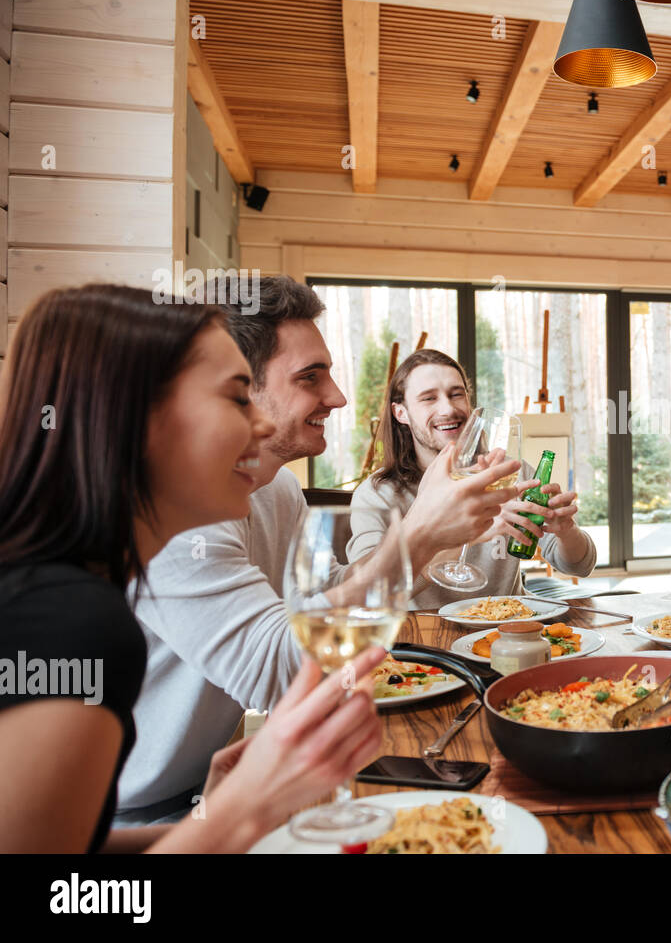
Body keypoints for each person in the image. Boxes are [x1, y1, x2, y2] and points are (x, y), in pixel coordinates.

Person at [115, 277, 521, 825]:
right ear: (239, 385)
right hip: (130, 819)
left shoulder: (277, 487)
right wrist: (421, 534)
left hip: (219, 783)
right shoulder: (176, 508)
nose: (338, 396)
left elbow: (327, 598)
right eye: (310, 377)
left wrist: (435, 534)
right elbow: (285, 668)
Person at [0, 284, 389, 852]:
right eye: (236, 398)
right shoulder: (71, 621)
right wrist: (244, 811)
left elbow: (65, 846)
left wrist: (216, 818)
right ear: (137, 417)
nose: (258, 427)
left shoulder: (70, 590)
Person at [348, 349, 597, 607]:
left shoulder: (510, 473)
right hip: (423, 637)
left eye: (456, 394)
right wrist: (465, 534)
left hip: (507, 633)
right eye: (429, 398)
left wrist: (567, 532)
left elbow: (581, 566)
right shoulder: (376, 494)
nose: (448, 408)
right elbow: (367, 596)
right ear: (400, 413)